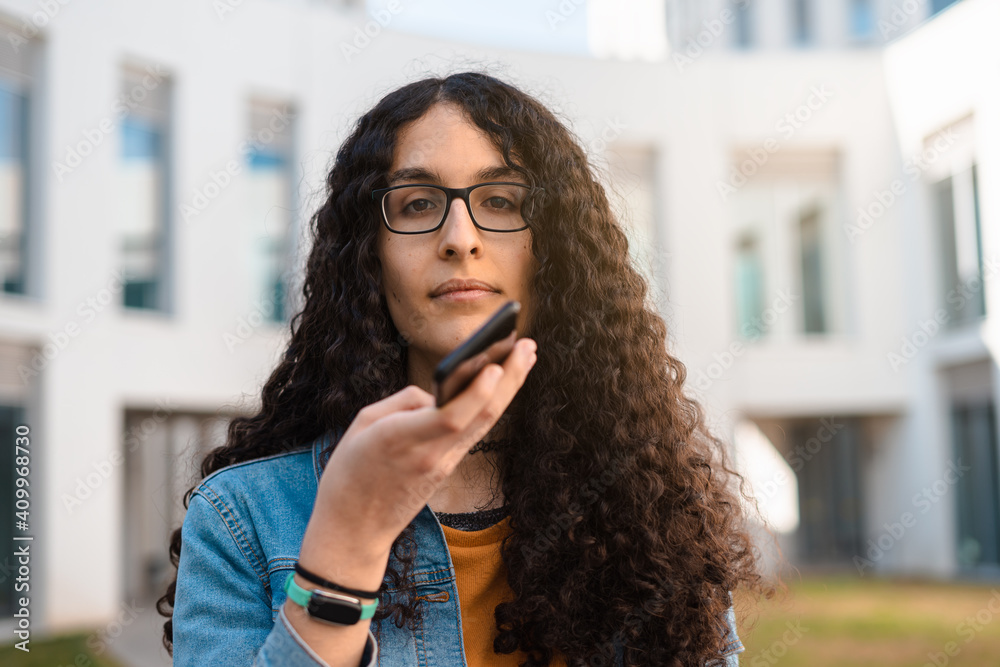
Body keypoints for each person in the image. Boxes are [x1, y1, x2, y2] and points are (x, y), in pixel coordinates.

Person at [159, 70, 775, 666]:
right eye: (419, 201)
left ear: (554, 250)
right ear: (367, 255)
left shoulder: (649, 504)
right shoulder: (241, 519)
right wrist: (344, 549)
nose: (460, 238)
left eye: (502, 200)